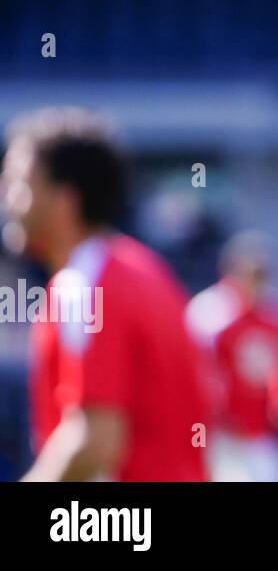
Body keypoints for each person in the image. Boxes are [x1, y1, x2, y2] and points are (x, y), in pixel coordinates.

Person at [1, 107, 208, 481]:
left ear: (65, 200)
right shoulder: (143, 269)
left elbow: (96, 440)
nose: (7, 200)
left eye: (18, 183)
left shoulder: (88, 283)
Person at [186, 229, 278, 481]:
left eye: (263, 273)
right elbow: (194, 374)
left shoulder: (277, 310)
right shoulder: (209, 311)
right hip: (222, 436)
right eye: (252, 272)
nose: (256, 280)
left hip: (264, 434)